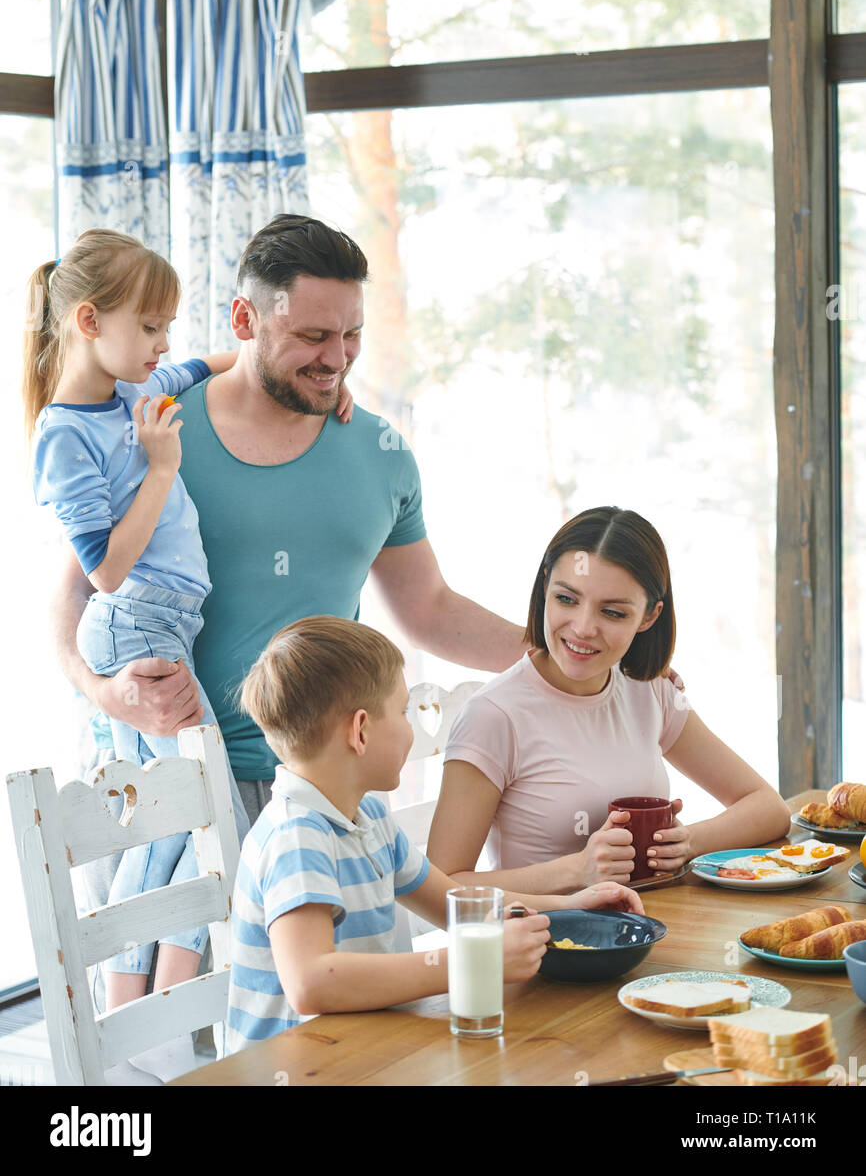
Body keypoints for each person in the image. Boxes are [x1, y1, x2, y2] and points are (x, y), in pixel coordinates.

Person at [49, 214, 547, 839]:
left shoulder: (381, 450)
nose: (337, 359)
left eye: (351, 335)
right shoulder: (155, 427)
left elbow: (427, 609)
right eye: (313, 335)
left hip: (335, 791)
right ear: (244, 321)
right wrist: (101, 691)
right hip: (168, 791)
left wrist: (564, 655)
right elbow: (78, 589)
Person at [24, 229, 355, 1036]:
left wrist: (326, 379)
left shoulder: (133, 392)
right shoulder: (68, 434)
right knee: (202, 817)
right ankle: (138, 1012)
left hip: (165, 620)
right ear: (90, 323)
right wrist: (162, 466)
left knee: (181, 822)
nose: (163, 346)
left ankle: (152, 1012)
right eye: (150, 327)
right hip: (138, 622)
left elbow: (209, 364)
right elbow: (101, 571)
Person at [226, 615, 643, 1051]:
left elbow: (457, 908)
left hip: (358, 1051)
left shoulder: (367, 817)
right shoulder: (296, 837)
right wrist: (475, 961)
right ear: (361, 730)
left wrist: (570, 907)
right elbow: (311, 983)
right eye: (404, 711)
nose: (411, 727)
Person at [426, 506, 791, 893]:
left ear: (649, 617)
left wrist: (688, 843)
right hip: (544, 945)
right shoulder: (493, 716)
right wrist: (577, 871)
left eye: (613, 612)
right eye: (566, 599)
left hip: (652, 929)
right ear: (544, 587)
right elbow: (442, 889)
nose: (583, 628)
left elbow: (769, 808)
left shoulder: (650, 690)